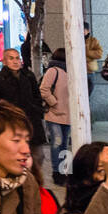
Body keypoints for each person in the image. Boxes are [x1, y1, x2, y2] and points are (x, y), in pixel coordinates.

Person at [0, 48, 47, 170]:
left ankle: (34, 181)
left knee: (38, 155)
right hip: (11, 123)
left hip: (31, 121)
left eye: (17, 58)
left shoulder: (28, 76)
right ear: (4, 61)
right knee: (16, 156)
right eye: (11, 58)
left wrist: (38, 110)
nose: (15, 61)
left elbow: (37, 96)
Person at [40, 49, 70, 186]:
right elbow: (44, 89)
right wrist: (54, 103)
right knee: (57, 142)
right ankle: (56, 173)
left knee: (64, 143)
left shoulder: (71, 71)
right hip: (54, 114)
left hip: (68, 114)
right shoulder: (54, 71)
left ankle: (64, 171)